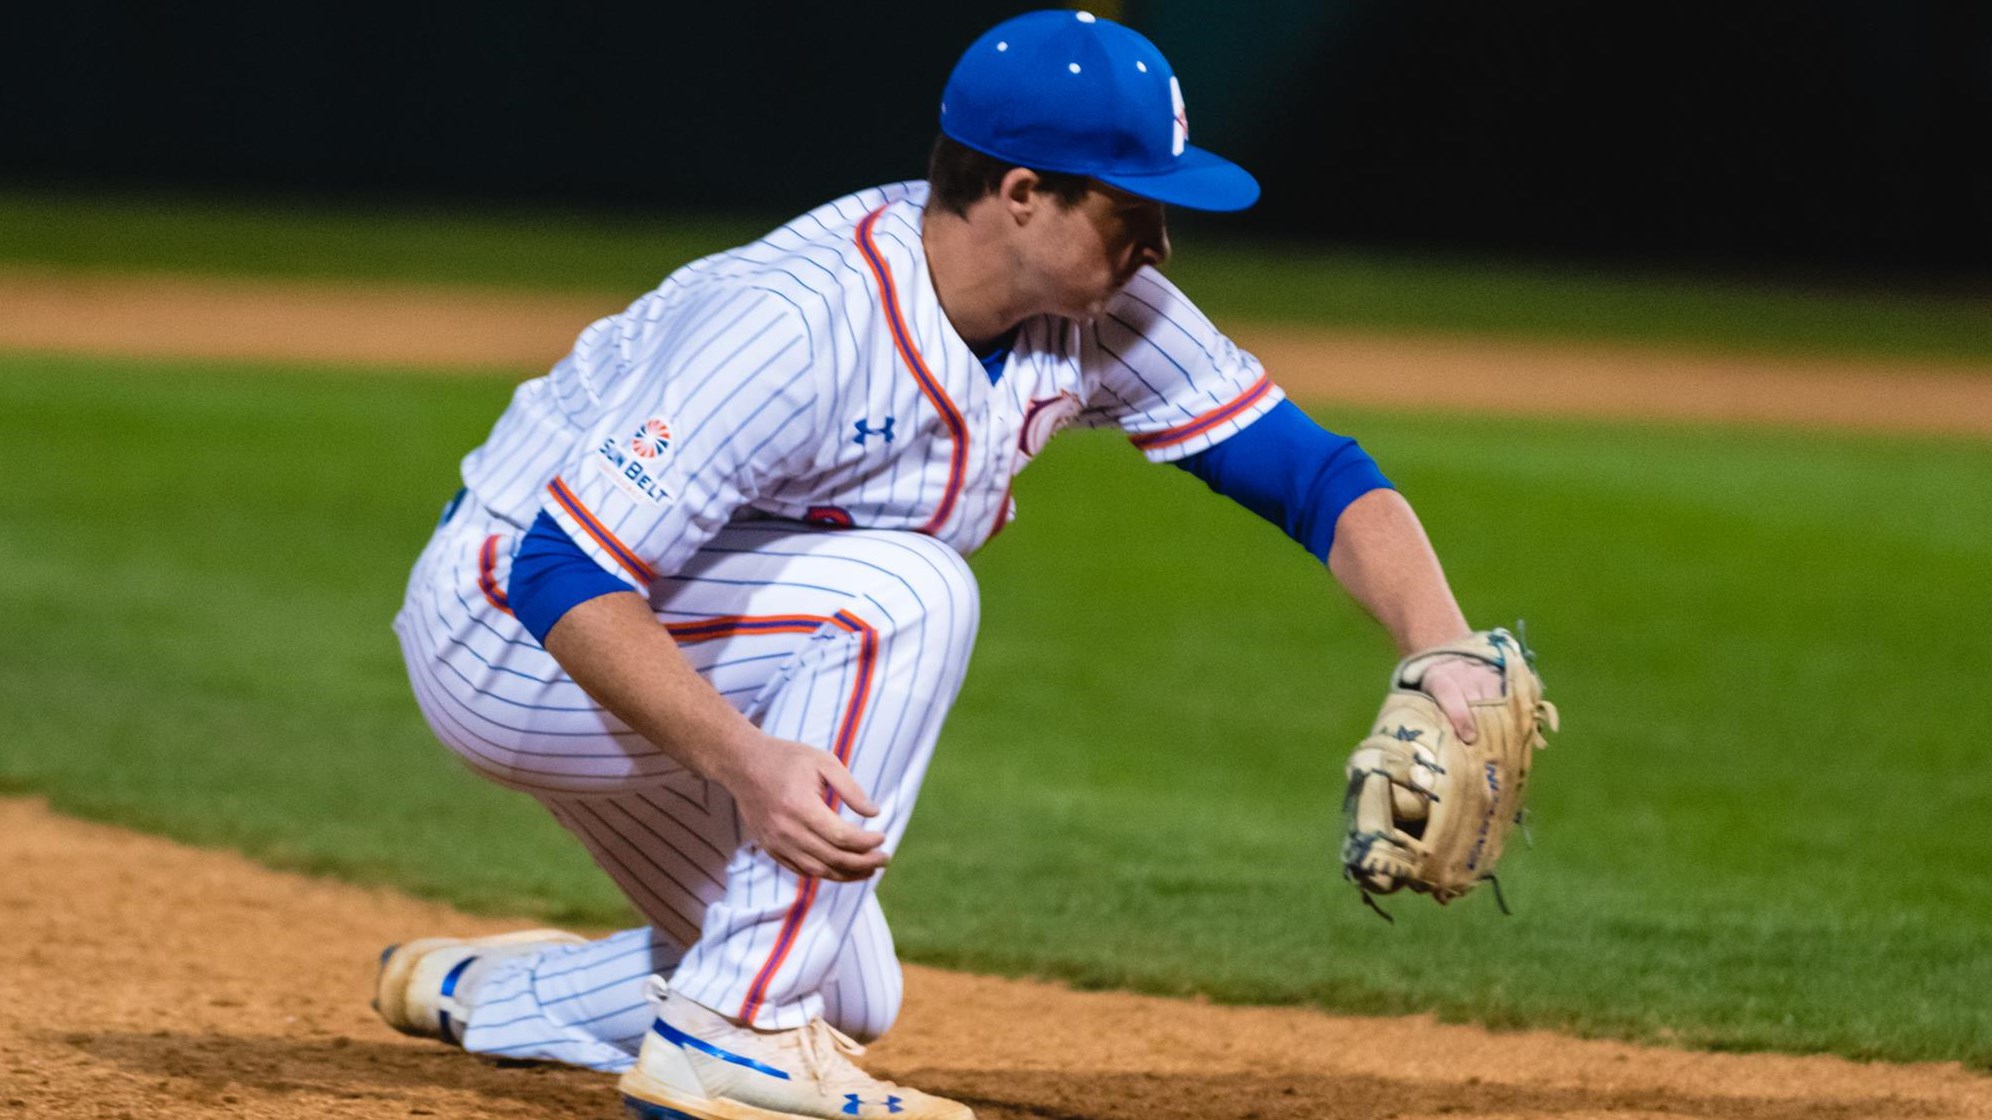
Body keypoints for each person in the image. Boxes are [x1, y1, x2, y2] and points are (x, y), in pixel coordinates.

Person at [380, 10, 1500, 1120]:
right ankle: (725, 1038)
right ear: (1022, 194)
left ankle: (499, 996)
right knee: (907, 596)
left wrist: (1441, 646)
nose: (1158, 241)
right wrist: (743, 760)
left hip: (675, 631)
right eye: (1131, 207)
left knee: (850, 986)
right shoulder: (800, 321)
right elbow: (562, 572)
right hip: (509, 632)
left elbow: (1316, 476)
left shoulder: (1101, 310)